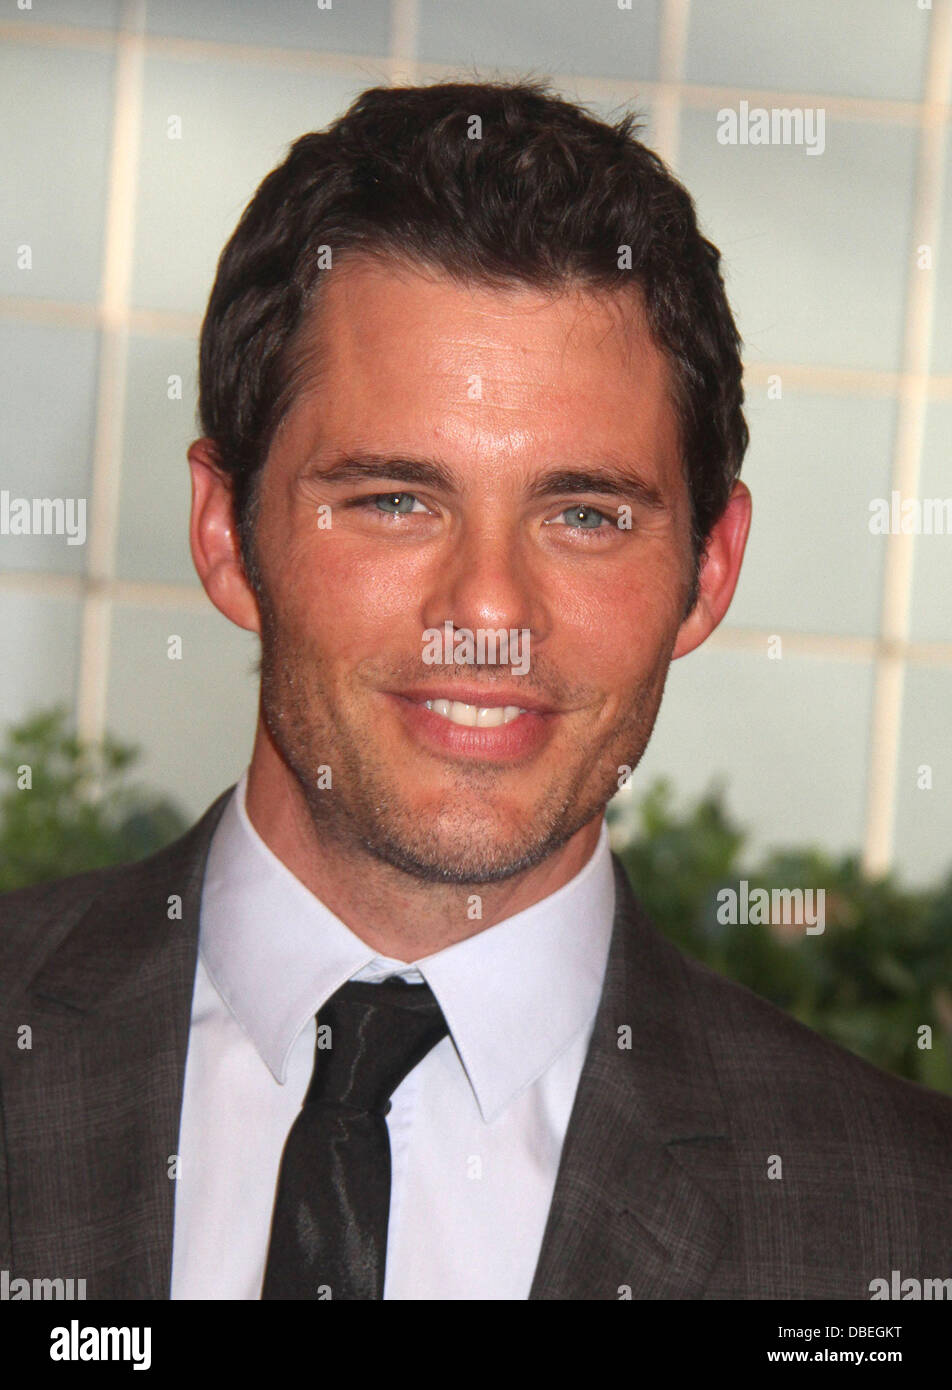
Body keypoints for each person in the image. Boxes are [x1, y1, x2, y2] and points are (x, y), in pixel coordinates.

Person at [2, 78, 950, 1303]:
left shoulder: (901, 1229)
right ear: (226, 535)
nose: (491, 611)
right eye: (396, 499)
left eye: (585, 514)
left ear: (708, 572)